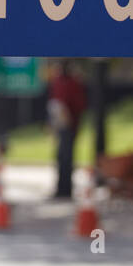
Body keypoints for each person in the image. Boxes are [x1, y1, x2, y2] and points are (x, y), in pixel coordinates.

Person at [47, 61, 87, 199]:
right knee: (62, 158)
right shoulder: (61, 83)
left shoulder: (69, 84)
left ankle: (65, 190)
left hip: (67, 126)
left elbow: (74, 106)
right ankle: (62, 189)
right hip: (63, 126)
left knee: (65, 159)